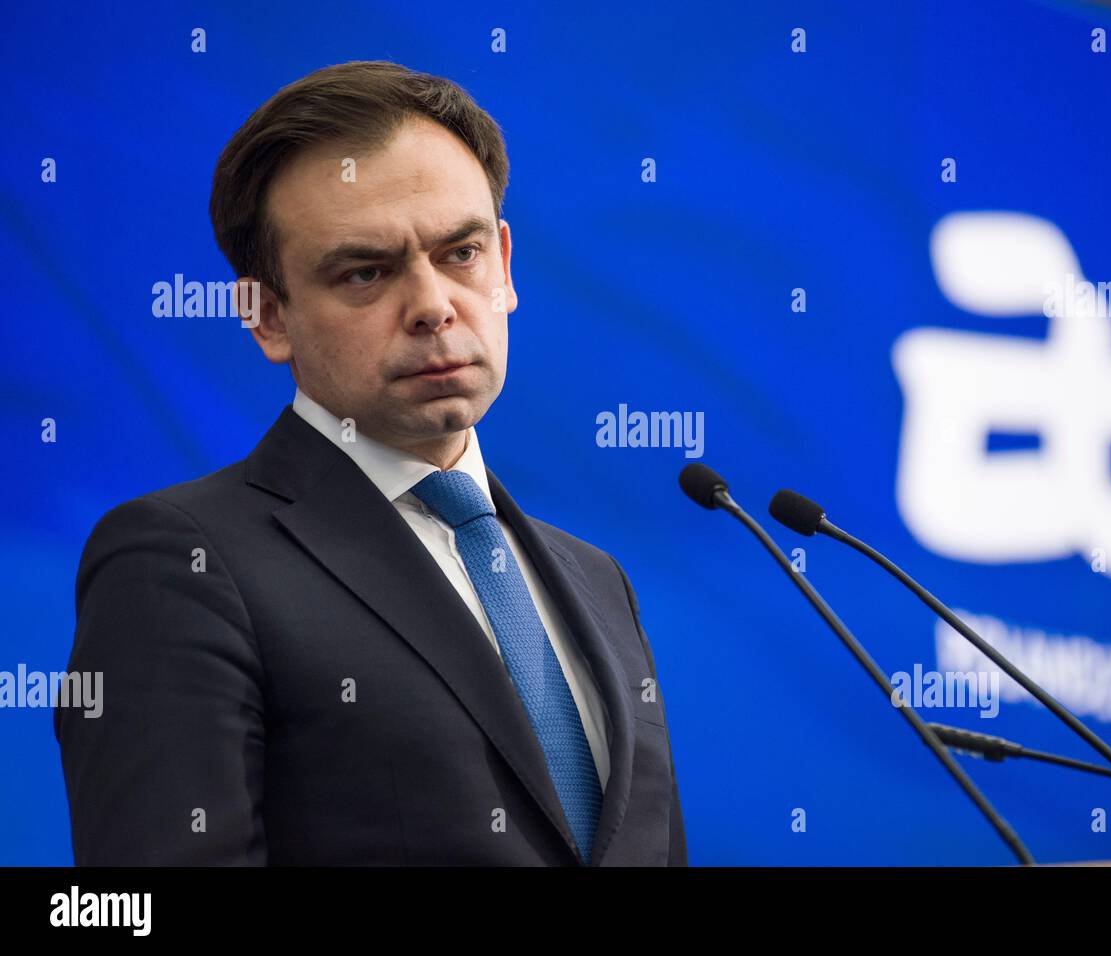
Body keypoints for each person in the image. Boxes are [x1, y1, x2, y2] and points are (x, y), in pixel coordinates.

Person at [55, 60, 686, 866]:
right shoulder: (181, 562)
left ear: (504, 264)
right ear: (268, 315)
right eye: (366, 272)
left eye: (459, 254)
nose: (431, 305)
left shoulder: (599, 582)